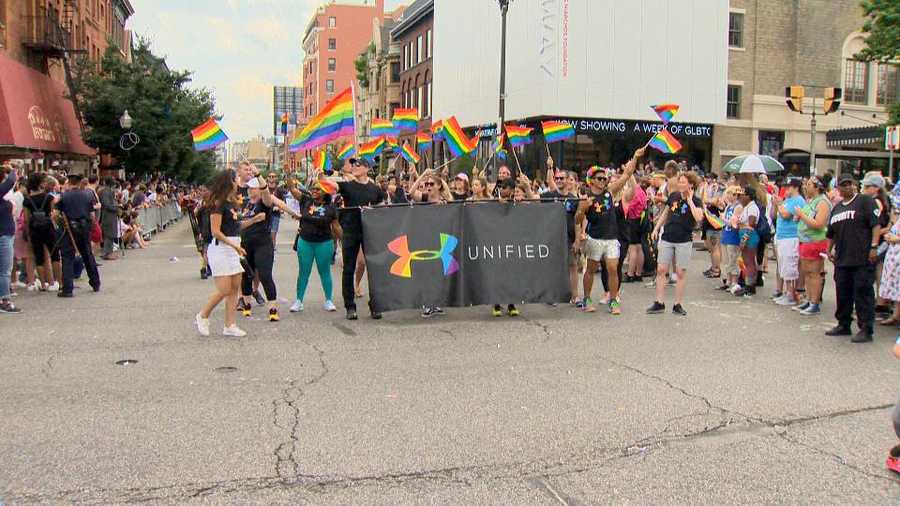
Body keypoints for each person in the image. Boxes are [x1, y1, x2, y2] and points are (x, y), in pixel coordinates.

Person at [575, 146, 644, 315]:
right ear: (591, 180)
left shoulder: (610, 193)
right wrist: (582, 210)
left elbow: (627, 174)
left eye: (604, 178)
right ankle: (587, 298)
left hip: (612, 238)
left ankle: (613, 300)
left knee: (613, 268)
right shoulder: (585, 198)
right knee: (591, 269)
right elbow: (577, 220)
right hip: (595, 238)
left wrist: (635, 156)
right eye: (599, 178)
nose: (603, 180)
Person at [825, 173, 880, 343]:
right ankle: (843, 324)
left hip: (861, 257)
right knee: (843, 292)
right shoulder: (837, 208)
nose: (847, 187)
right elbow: (831, 233)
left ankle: (866, 328)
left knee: (862, 293)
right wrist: (829, 250)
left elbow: (875, 225)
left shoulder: (865, 201)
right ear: (838, 188)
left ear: (854, 185)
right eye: (843, 184)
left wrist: (874, 246)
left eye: (849, 184)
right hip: (842, 258)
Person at [236, 176, 299, 322]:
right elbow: (238, 224)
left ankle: (273, 307)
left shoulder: (265, 202)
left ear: (259, 189)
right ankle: (246, 304)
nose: (250, 190)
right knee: (246, 275)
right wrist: (251, 220)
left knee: (265, 275)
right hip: (245, 244)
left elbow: (270, 196)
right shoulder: (244, 204)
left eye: (253, 187)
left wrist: (259, 176)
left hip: (263, 243)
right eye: (249, 188)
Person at [196, 171, 247, 337]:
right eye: (236, 179)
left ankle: (229, 325)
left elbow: (236, 226)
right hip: (221, 249)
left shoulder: (231, 203)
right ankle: (203, 315)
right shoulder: (218, 204)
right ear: (229, 182)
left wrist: (255, 220)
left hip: (233, 247)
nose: (238, 181)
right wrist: (235, 246)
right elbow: (215, 231)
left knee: (234, 288)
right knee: (224, 289)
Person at [335, 158, 386, 320]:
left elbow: (383, 207)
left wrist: (374, 209)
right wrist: (321, 176)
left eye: (357, 165)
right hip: (350, 231)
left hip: (369, 232)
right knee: (348, 269)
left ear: (367, 168)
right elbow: (328, 186)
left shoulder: (375, 189)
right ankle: (350, 306)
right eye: (353, 165)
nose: (354, 167)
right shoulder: (347, 185)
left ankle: (375, 305)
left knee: (373, 269)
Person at [647, 172, 704, 316]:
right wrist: (656, 228)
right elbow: (665, 213)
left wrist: (690, 201)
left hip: (683, 239)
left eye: (684, 182)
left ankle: (677, 304)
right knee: (661, 269)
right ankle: (659, 302)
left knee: (680, 272)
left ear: (691, 185)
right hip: (667, 236)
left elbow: (698, 217)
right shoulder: (673, 196)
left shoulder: (696, 201)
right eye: (680, 182)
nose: (680, 185)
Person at [291, 178, 341, 313]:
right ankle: (299, 301)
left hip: (324, 243)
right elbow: (292, 189)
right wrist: (289, 175)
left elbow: (336, 227)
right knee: (303, 272)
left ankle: (329, 300)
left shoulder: (331, 208)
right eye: (313, 188)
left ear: (325, 192)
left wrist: (345, 242)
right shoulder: (306, 200)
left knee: (324, 272)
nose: (314, 191)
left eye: (317, 189)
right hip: (305, 242)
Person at [410, 169, 454, 317]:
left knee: (439, 272)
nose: (428, 186)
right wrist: (421, 175)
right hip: (426, 239)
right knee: (427, 271)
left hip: (441, 240)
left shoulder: (445, 200)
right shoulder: (424, 198)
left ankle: (436, 304)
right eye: (427, 184)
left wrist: (443, 179)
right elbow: (411, 192)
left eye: (431, 184)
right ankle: (428, 304)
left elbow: (452, 204)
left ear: (438, 186)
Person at [53, 174, 101, 298]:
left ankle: (67, 289)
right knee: (88, 256)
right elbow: (92, 216)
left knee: (67, 257)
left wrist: (62, 224)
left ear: (69, 182)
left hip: (69, 229)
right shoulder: (87, 195)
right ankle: (95, 283)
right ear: (80, 183)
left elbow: (56, 215)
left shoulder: (63, 197)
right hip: (84, 228)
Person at [542, 160, 581, 303]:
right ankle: (552, 296)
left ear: (568, 181)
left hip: (569, 238)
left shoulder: (574, 199)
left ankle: (575, 296)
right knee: (552, 267)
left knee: (573, 266)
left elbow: (577, 222)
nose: (558, 180)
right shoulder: (550, 196)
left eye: (561, 178)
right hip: (553, 238)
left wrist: (577, 240)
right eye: (556, 178)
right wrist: (549, 167)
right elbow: (546, 182)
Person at [793, 176, 831, 316]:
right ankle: (809, 300)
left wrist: (802, 215)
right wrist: (799, 217)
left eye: (809, 184)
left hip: (815, 241)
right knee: (807, 272)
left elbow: (819, 223)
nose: (805, 187)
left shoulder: (822, 202)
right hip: (805, 241)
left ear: (817, 187)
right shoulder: (811, 201)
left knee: (814, 273)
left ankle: (814, 302)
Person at [771, 177, 806, 306]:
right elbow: (776, 215)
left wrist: (780, 204)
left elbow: (786, 215)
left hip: (791, 236)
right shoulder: (788, 200)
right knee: (784, 265)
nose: (786, 189)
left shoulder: (798, 200)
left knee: (790, 264)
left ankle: (791, 294)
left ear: (796, 187)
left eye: (789, 186)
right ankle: (787, 292)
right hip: (782, 235)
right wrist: (777, 204)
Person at [0, 164, 19, 313]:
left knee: (5, 269)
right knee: (5, 270)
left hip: (6, 234)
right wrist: (12, 169)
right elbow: (11, 181)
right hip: (3, 236)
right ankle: (4, 300)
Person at [98, 178, 120, 260]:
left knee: (111, 234)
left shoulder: (109, 191)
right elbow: (106, 204)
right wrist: (116, 208)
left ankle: (109, 252)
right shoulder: (106, 192)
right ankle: (107, 253)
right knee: (109, 234)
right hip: (108, 216)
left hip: (111, 216)